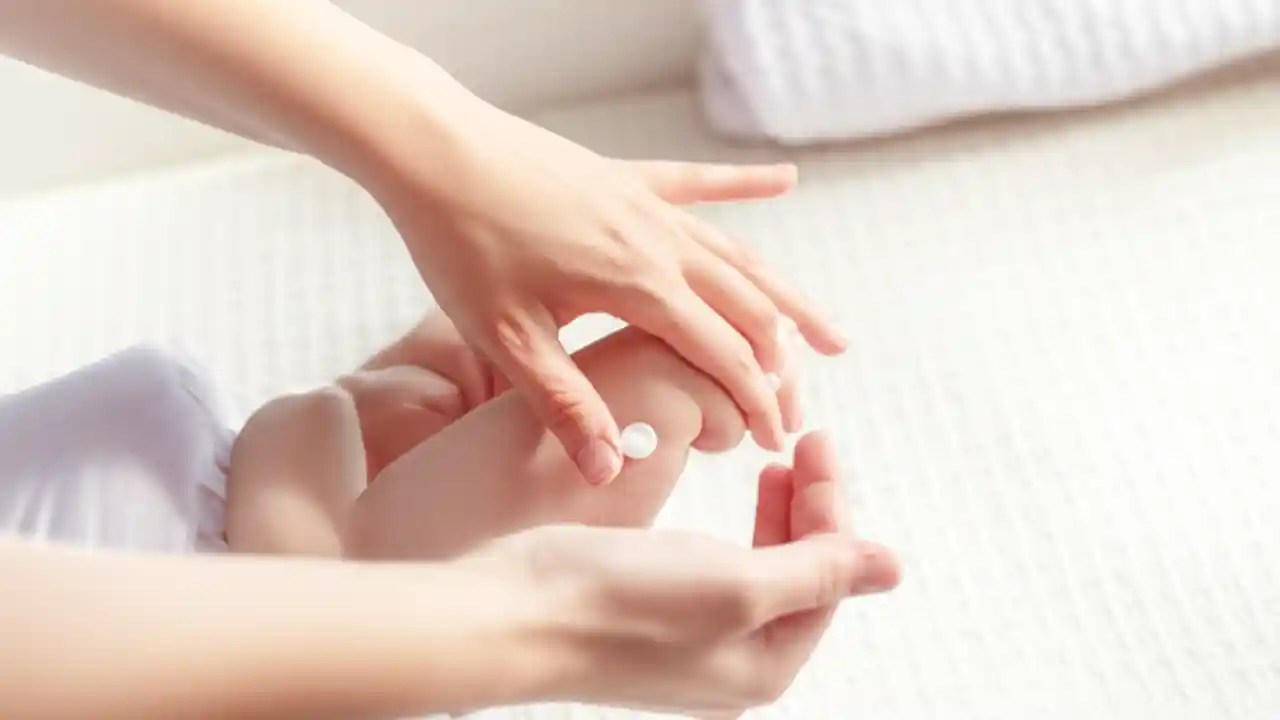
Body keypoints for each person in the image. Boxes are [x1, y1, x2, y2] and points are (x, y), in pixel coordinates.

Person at [0, 2, 898, 717]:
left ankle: (382, 439)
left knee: (375, 438)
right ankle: (645, 388)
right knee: (362, 542)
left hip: (153, 549)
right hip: (221, 611)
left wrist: (448, 151)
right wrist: (559, 617)